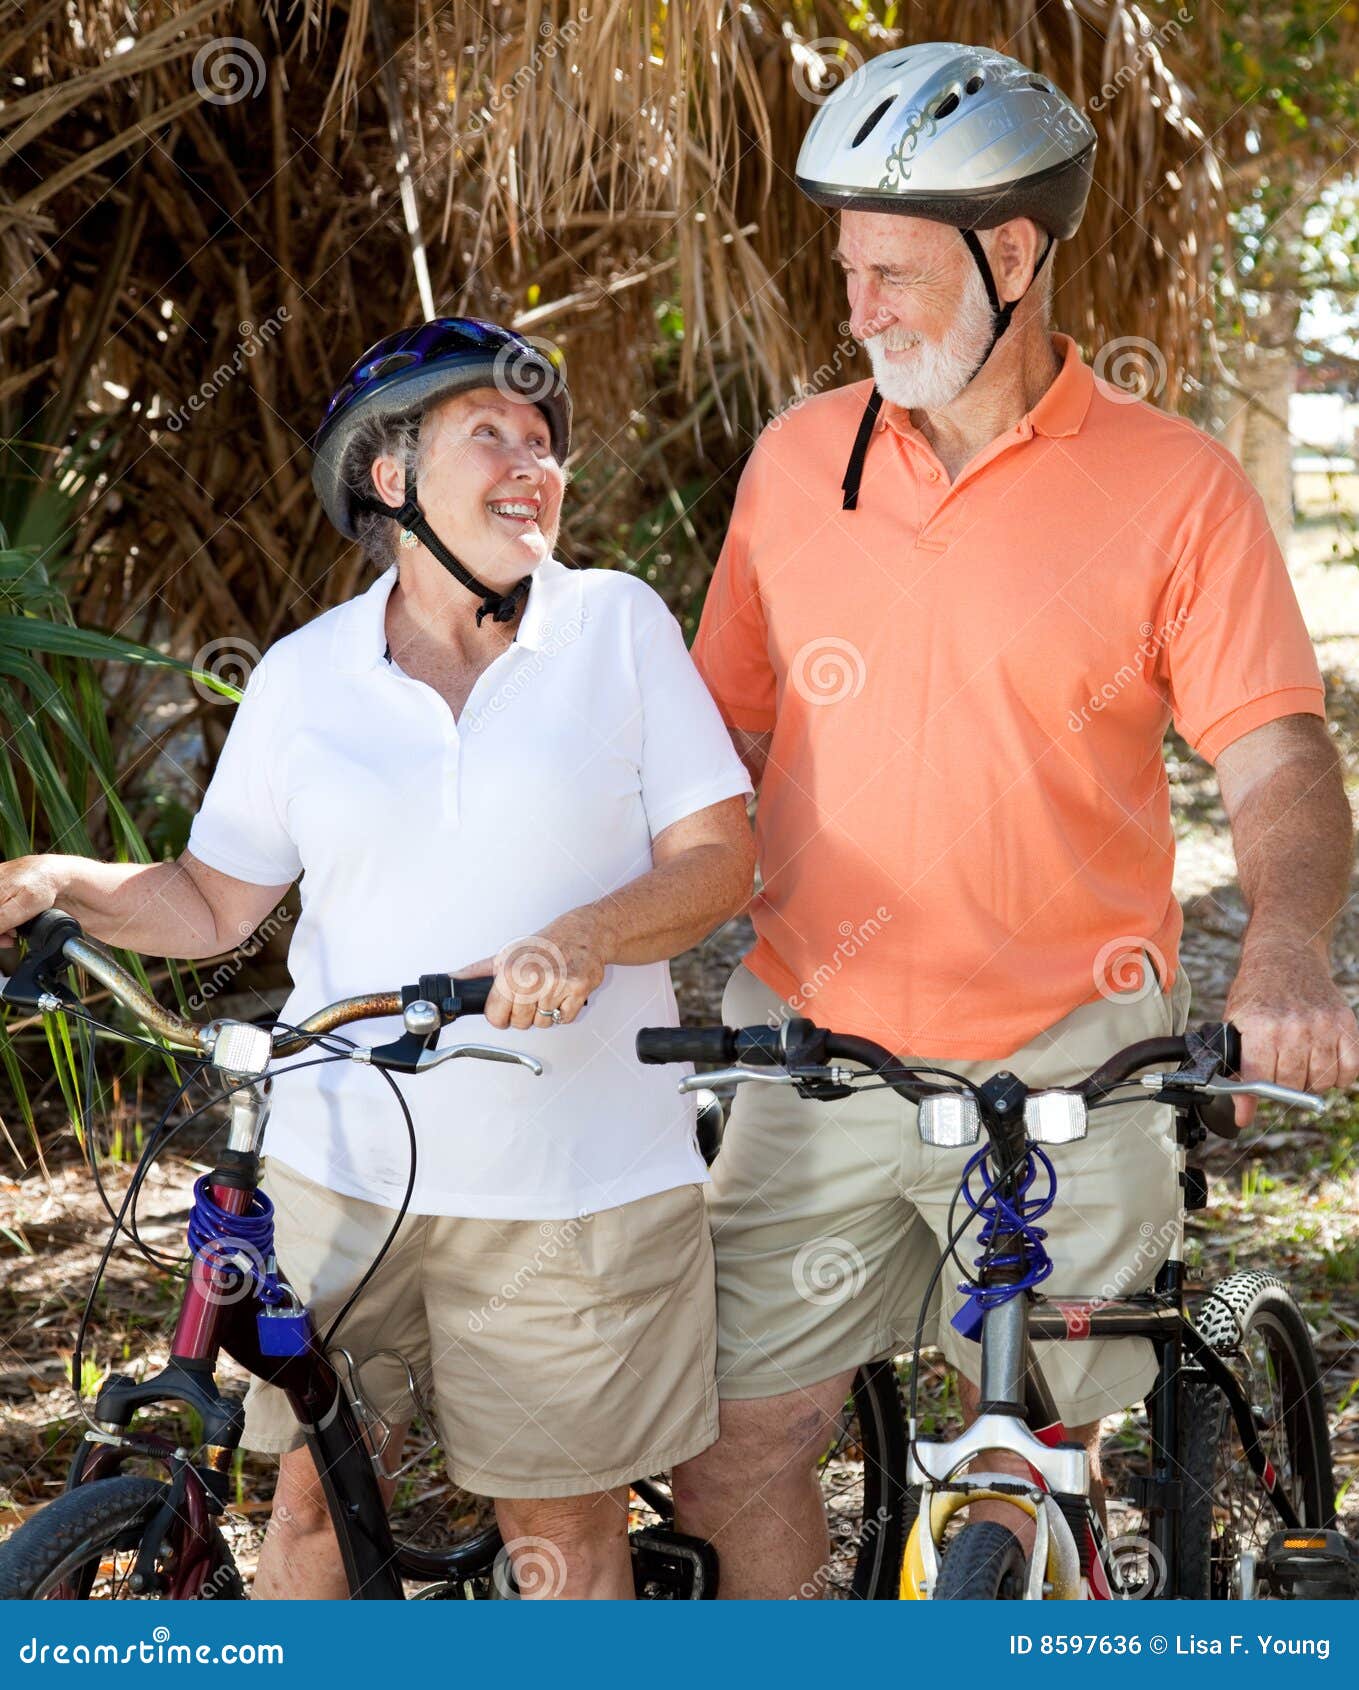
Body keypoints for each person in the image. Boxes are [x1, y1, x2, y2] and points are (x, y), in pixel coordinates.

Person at [673, 42, 1359, 1597]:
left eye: (894, 272)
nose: (858, 307)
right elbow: (714, 731)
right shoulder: (795, 462)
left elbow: (1274, 758)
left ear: (1012, 253)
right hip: (816, 1039)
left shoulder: (1172, 488)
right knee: (725, 1445)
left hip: (1068, 1051)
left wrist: (1289, 950)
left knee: (1024, 1456)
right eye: (845, 269)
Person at [0, 318, 755, 1599]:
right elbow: (212, 898)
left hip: (569, 1189)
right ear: (392, 477)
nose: (535, 462)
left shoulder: (616, 626)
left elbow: (720, 860)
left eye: (544, 441)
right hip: (338, 1174)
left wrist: (586, 936)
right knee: (308, 1515)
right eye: (491, 435)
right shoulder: (304, 678)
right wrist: (60, 881)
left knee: (559, 1543)